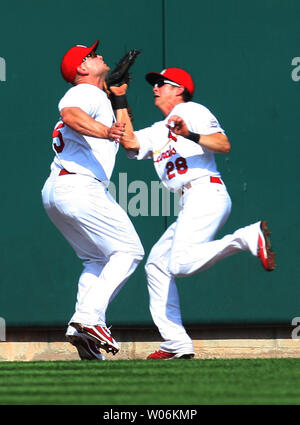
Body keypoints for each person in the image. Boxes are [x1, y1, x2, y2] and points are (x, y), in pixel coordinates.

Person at [117, 67, 276, 360]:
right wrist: (119, 99)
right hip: (190, 200)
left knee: (178, 264)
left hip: (206, 192)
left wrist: (189, 133)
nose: (155, 88)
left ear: (179, 89)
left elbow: (223, 144)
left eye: (161, 84)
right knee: (156, 266)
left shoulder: (192, 110)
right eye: (154, 84)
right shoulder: (157, 129)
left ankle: (245, 238)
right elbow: (128, 141)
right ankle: (176, 342)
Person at [41, 41, 144, 361]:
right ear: (82, 69)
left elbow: (131, 145)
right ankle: (88, 319)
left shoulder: (101, 96)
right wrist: (104, 130)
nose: (99, 55)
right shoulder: (85, 92)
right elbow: (70, 113)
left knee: (96, 260)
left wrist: (119, 96)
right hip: (80, 187)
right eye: (91, 55)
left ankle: (79, 330)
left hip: (59, 188)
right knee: (129, 251)